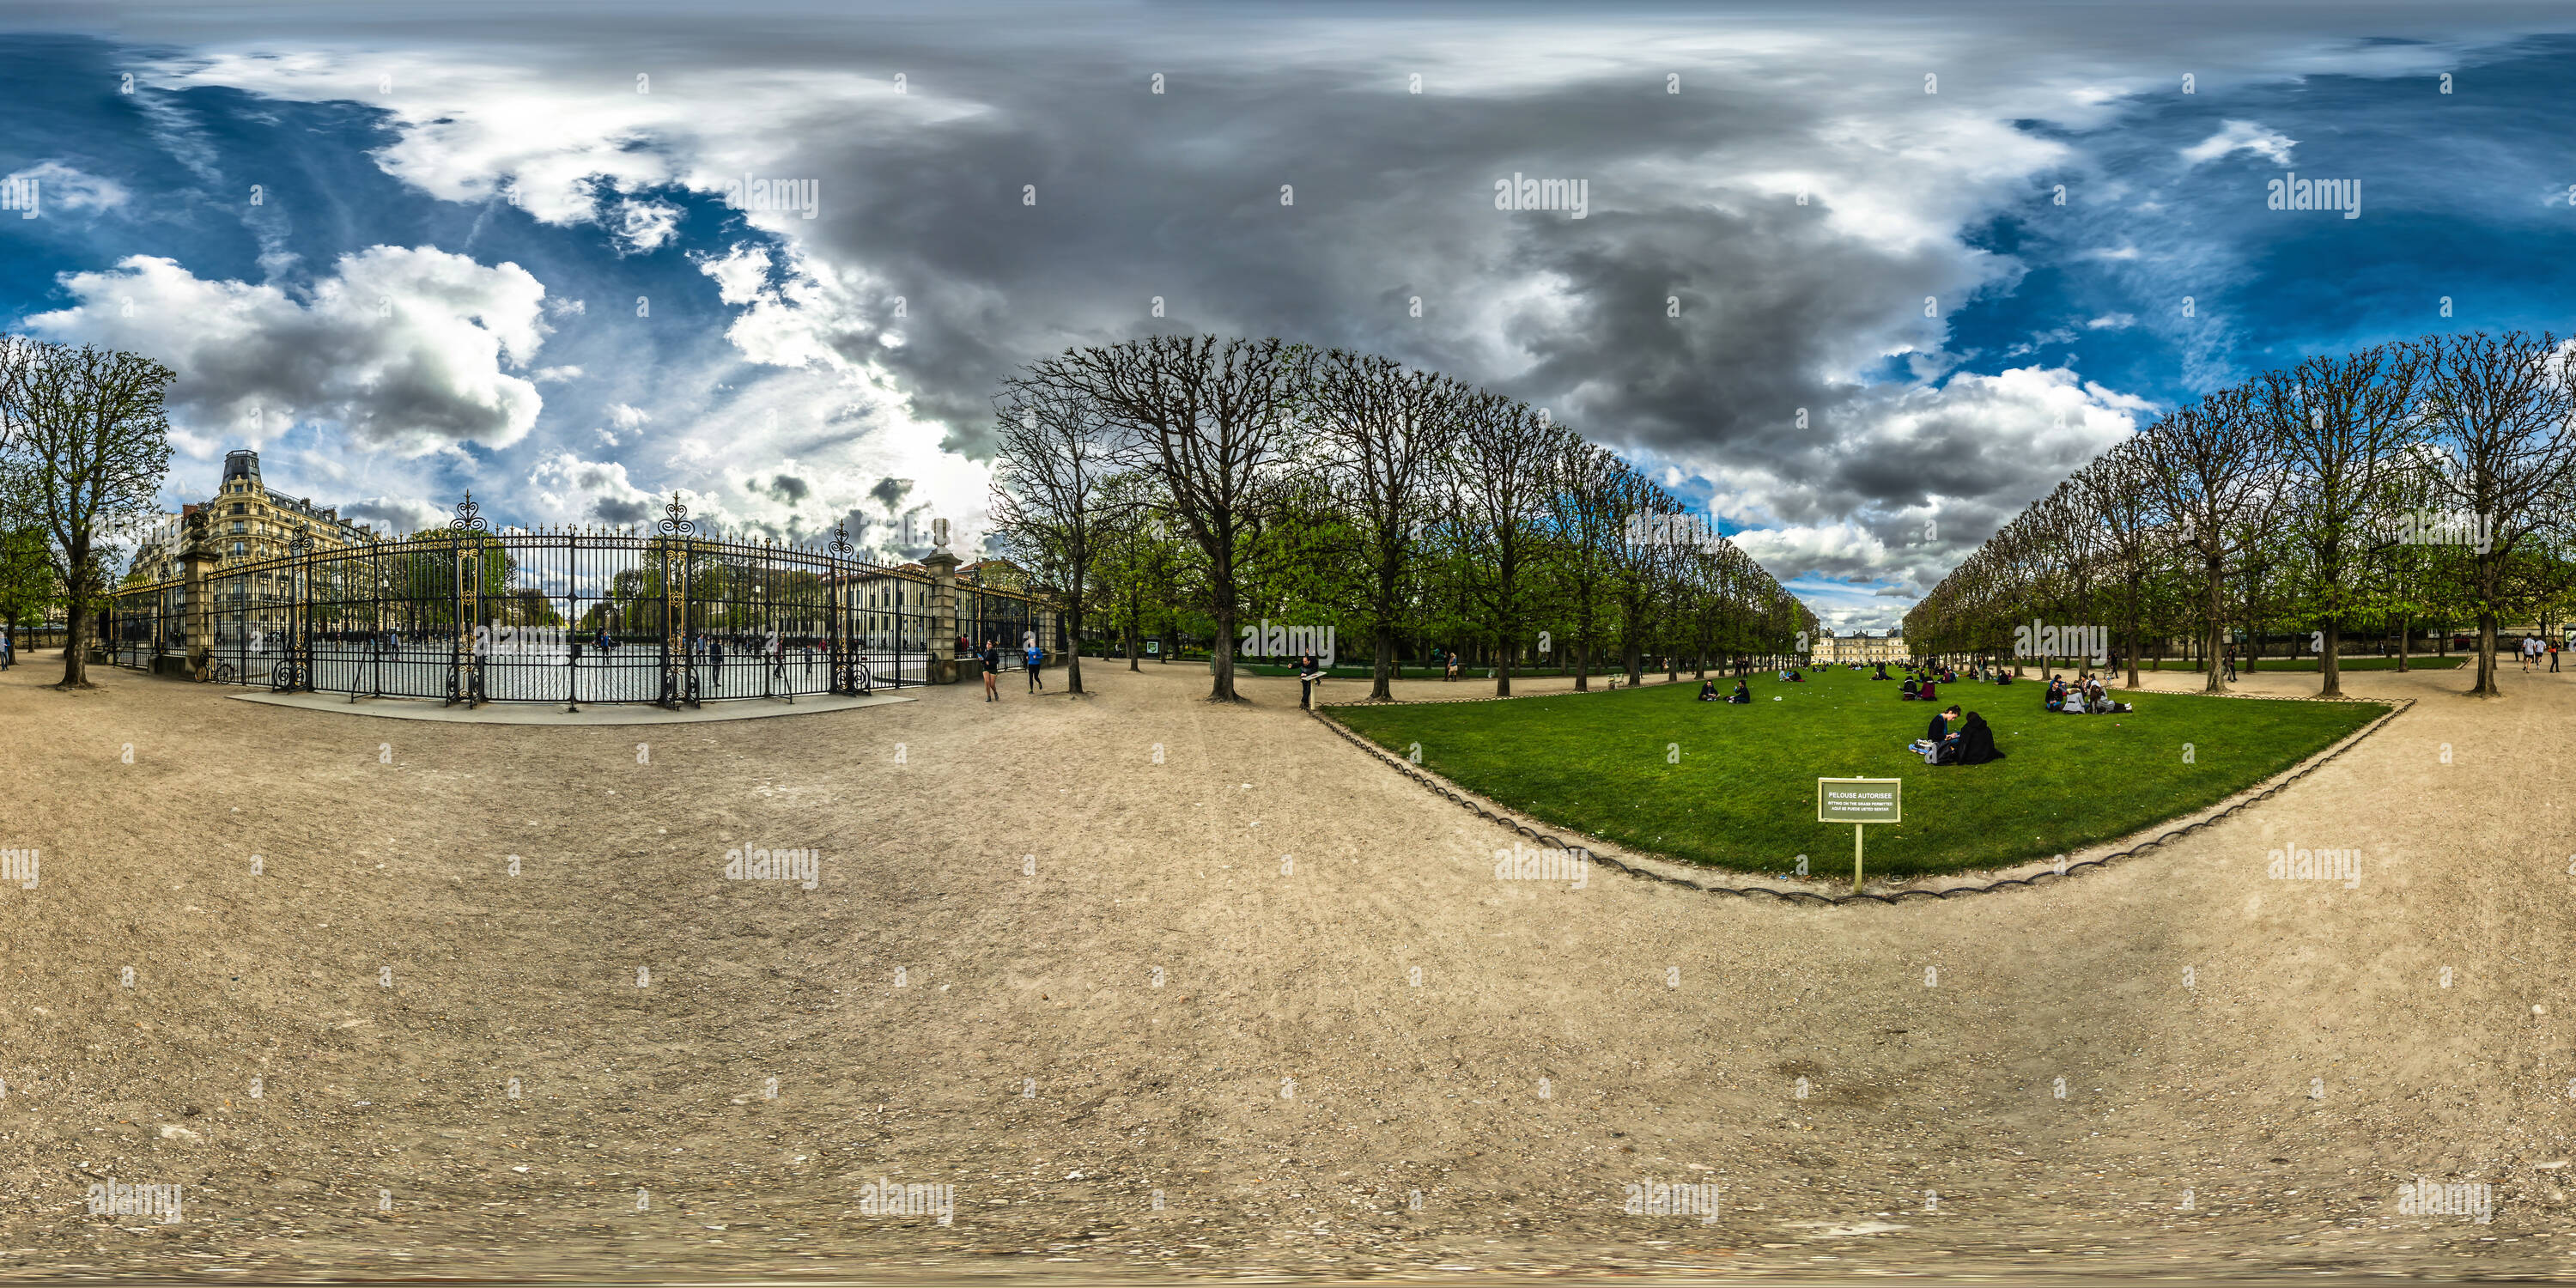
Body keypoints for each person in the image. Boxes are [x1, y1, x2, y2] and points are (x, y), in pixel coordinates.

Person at [981, 638, 1000, 702]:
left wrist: (990, 663)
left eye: (989, 644)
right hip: (985, 669)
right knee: (987, 682)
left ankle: (995, 692)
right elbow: (984, 661)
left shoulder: (994, 652)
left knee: (992, 684)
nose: (988, 645)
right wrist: (981, 660)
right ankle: (989, 697)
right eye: (987, 644)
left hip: (993, 669)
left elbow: (997, 661)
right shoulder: (985, 652)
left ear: (992, 645)